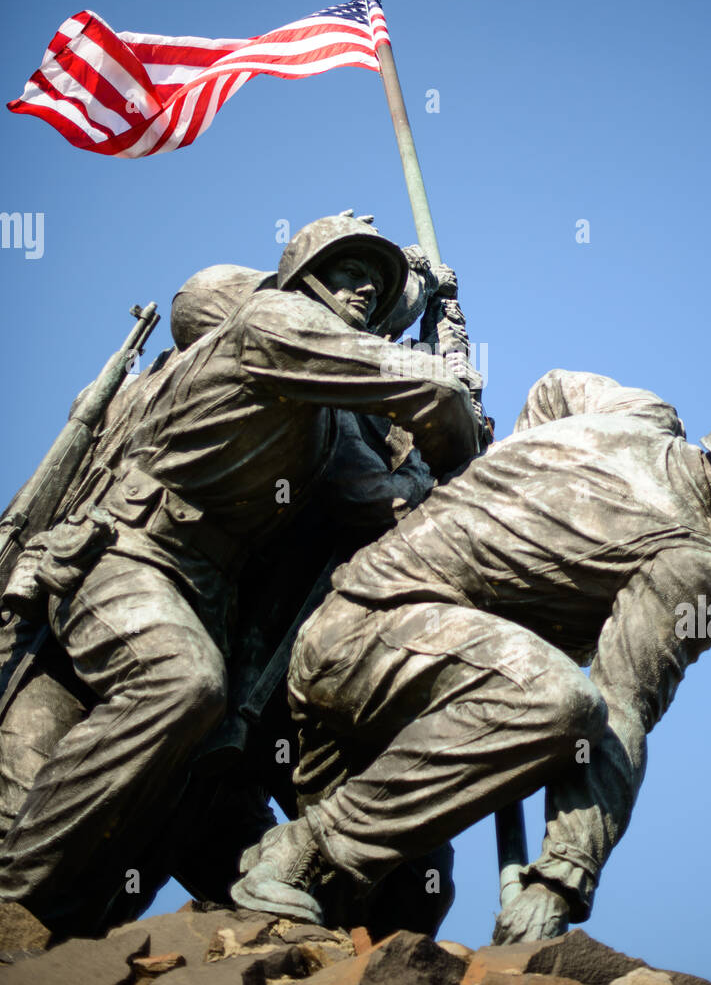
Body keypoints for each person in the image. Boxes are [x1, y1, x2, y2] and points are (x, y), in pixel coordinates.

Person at [231, 374, 711, 944]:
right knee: (558, 701)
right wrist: (562, 878)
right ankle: (305, 848)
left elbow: (554, 389)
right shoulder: (697, 562)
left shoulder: (637, 415)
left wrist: (508, 502)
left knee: (405, 901)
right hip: (375, 644)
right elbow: (619, 710)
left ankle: (295, 892)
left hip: (360, 669)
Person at [0, 213, 479, 938]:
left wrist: (448, 476)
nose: (362, 290)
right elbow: (429, 393)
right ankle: (17, 897)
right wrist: (455, 431)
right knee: (179, 684)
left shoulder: (323, 414)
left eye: (376, 284)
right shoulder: (274, 319)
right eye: (348, 270)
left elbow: (373, 501)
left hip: (210, 594)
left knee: (193, 787)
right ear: (304, 277)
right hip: (131, 554)